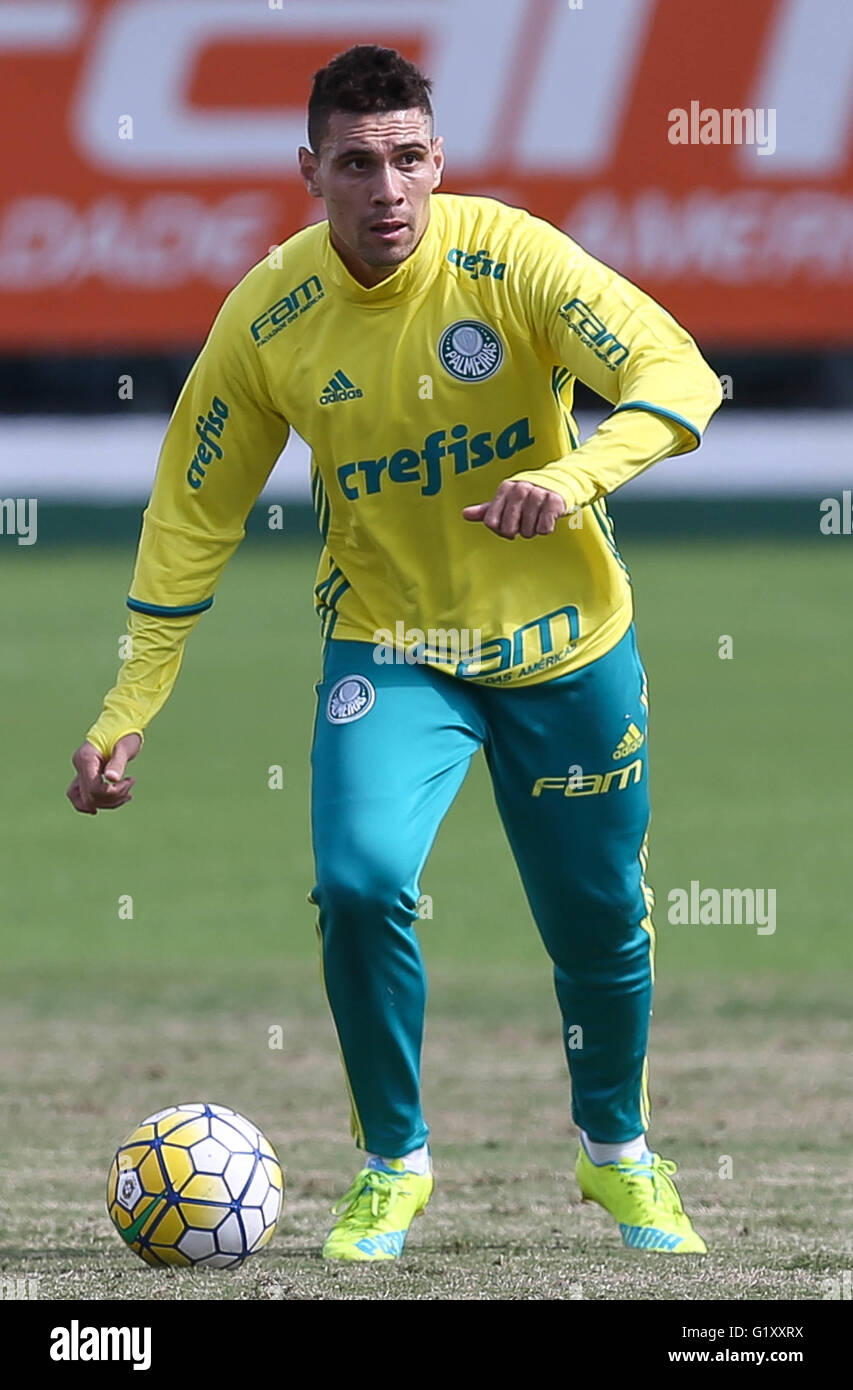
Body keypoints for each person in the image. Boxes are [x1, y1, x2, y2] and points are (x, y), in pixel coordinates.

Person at [68, 44, 722, 1262]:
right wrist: (128, 702)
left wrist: (575, 476)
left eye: (409, 160)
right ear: (309, 171)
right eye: (357, 165)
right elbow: (193, 511)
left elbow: (677, 372)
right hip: (393, 645)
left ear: (440, 160)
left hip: (566, 645)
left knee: (598, 922)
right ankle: (393, 1165)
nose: (387, 190)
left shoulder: (511, 257)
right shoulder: (270, 315)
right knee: (362, 884)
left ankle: (618, 1152)